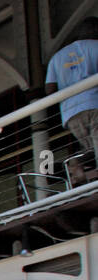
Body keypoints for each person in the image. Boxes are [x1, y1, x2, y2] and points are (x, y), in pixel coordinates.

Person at [46, 18, 98, 184]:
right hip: (95, 104)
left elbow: (50, 89)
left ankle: (76, 165)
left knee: (92, 147)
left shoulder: (57, 57)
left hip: (71, 113)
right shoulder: (96, 46)